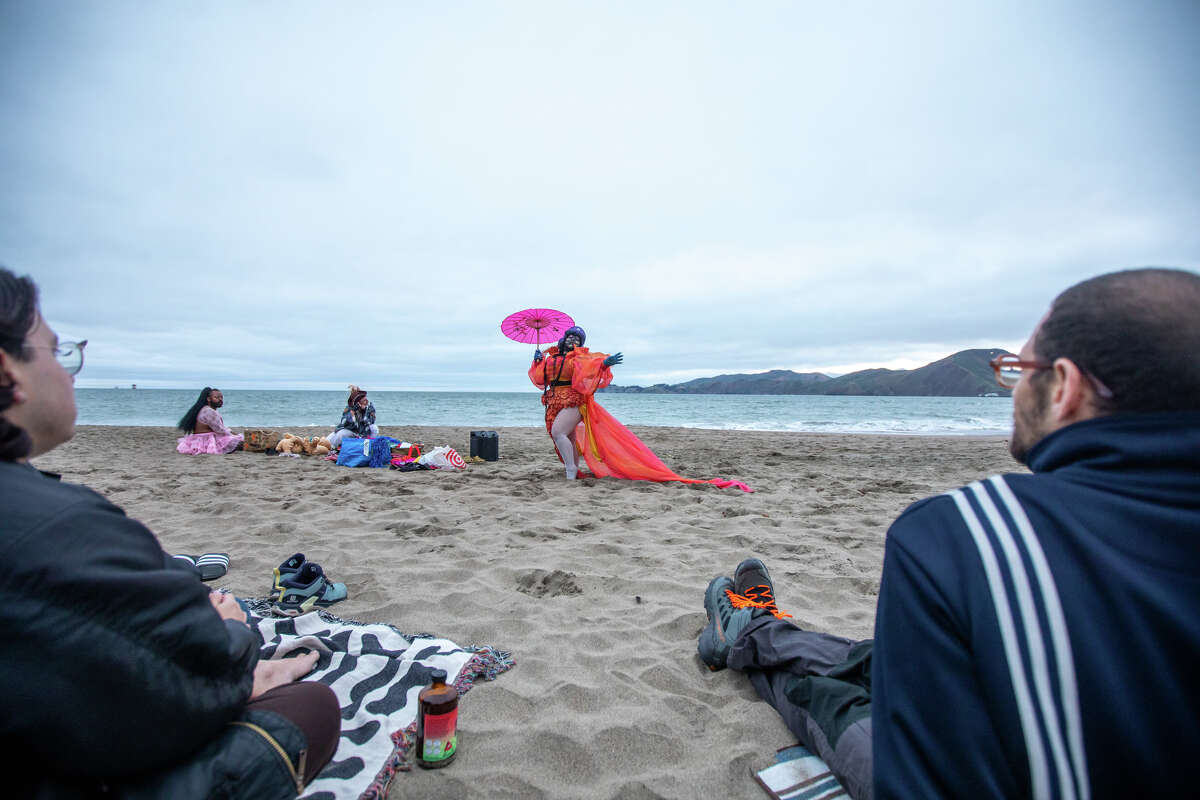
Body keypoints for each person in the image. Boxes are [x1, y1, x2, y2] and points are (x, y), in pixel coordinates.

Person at [698, 267, 1200, 799]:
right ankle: (758, 626)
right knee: (887, 659)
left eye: (1019, 371)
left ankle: (748, 635)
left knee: (829, 697)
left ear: (1065, 388)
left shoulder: (965, 533)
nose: (1013, 392)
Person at [0, 267, 342, 797]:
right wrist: (235, 633)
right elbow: (184, 678)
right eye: (60, 352)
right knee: (313, 707)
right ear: (8, 372)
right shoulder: (59, 525)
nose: (71, 372)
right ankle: (263, 679)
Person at [528, 325, 750, 490]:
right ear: (563, 338)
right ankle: (572, 469)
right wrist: (538, 361)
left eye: (577, 338)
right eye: (570, 336)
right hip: (554, 399)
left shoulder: (580, 358)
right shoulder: (551, 357)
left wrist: (604, 364)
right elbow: (541, 378)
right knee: (567, 436)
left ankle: (570, 470)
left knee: (559, 432)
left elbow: (590, 368)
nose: (572, 340)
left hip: (574, 400)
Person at [177, 386, 244, 454]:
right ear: (209, 399)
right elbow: (220, 430)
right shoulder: (208, 411)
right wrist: (235, 436)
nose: (220, 399)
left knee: (237, 439)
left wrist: (232, 433)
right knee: (239, 442)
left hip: (200, 439)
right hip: (206, 440)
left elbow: (220, 428)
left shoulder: (205, 409)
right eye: (217, 397)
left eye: (221, 397)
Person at [327, 383, 379, 449]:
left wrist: (364, 413)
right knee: (337, 435)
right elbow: (344, 422)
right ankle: (333, 447)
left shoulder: (369, 408)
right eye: (363, 400)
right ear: (358, 402)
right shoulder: (350, 408)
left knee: (374, 428)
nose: (366, 401)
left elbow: (372, 420)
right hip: (351, 430)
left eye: (366, 399)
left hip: (364, 432)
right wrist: (353, 413)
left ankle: (370, 444)